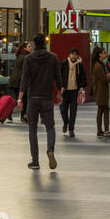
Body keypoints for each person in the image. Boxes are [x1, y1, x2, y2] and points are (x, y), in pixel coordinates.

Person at [20, 34, 62, 170]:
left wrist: (20, 99)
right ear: (44, 43)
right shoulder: (53, 57)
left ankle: (35, 161)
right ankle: (50, 150)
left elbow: (24, 80)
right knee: (50, 126)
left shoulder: (28, 58)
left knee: (32, 130)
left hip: (33, 98)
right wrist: (60, 94)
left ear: (35, 44)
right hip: (47, 97)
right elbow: (58, 78)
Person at [60, 46, 87, 138]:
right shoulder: (64, 63)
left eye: (76, 55)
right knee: (63, 109)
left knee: (73, 111)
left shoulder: (80, 65)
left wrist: (81, 86)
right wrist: (61, 86)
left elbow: (84, 78)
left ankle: (71, 129)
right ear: (69, 55)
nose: (74, 56)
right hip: (65, 91)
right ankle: (65, 123)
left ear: (78, 56)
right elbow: (59, 76)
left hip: (74, 91)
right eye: (72, 54)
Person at [90, 48, 110, 139]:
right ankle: (103, 131)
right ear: (100, 54)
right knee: (103, 110)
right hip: (101, 91)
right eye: (104, 53)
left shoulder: (101, 64)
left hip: (102, 90)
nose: (106, 54)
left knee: (103, 110)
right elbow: (105, 78)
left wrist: (108, 75)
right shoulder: (98, 66)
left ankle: (102, 131)